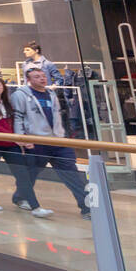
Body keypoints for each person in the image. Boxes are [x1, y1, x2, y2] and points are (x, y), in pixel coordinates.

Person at [11, 67, 92, 219]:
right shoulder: (20, 95)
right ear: (28, 80)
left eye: (43, 76)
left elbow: (58, 117)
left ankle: (87, 208)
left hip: (57, 141)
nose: (42, 78)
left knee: (71, 174)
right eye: (37, 77)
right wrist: (21, 138)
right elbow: (17, 117)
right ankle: (20, 196)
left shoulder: (51, 93)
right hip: (36, 142)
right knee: (31, 173)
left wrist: (62, 135)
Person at [0, 73, 47, 216]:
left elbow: (14, 121)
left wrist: (21, 137)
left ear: (3, 88)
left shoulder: (6, 101)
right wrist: (12, 137)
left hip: (9, 144)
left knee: (22, 173)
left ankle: (35, 207)